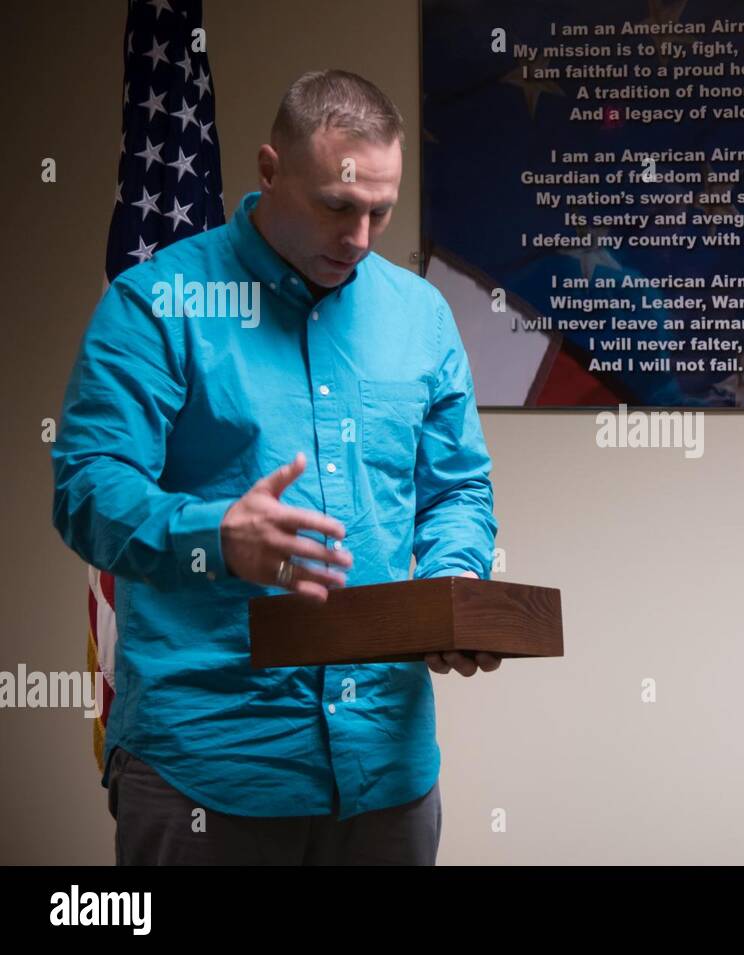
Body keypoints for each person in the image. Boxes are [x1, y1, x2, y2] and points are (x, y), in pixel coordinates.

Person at [51, 70, 499, 865]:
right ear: (269, 170)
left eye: (380, 211)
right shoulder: (156, 304)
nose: (361, 236)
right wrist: (215, 534)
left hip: (388, 770)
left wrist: (453, 588)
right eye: (337, 205)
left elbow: (457, 488)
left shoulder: (420, 315)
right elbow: (88, 487)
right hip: (208, 768)